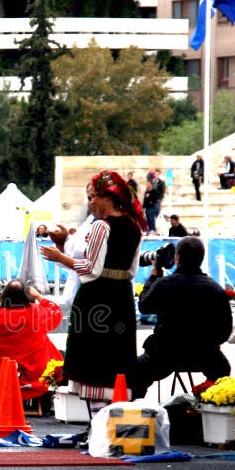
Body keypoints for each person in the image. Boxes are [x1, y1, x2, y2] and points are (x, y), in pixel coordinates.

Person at [40, 170, 144, 436]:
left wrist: (59, 256)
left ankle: (98, 426)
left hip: (96, 298)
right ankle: (113, 424)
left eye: (93, 197)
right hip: (121, 297)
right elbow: (132, 271)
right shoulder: (133, 225)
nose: (90, 203)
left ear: (108, 197)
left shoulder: (101, 225)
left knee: (92, 361)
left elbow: (90, 269)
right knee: (116, 359)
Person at [130, 237, 233, 399]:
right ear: (201, 258)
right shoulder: (215, 289)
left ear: (177, 259)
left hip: (164, 354)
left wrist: (153, 278)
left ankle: (136, 411)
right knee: (223, 372)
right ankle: (205, 406)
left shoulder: (164, 284)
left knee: (134, 374)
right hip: (204, 354)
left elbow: (144, 306)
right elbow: (224, 331)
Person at [0, 279, 63, 416]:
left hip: (4, 372)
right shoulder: (38, 312)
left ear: (5, 296)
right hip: (36, 370)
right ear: (26, 296)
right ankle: (46, 401)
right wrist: (38, 297)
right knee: (56, 357)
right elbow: (55, 312)